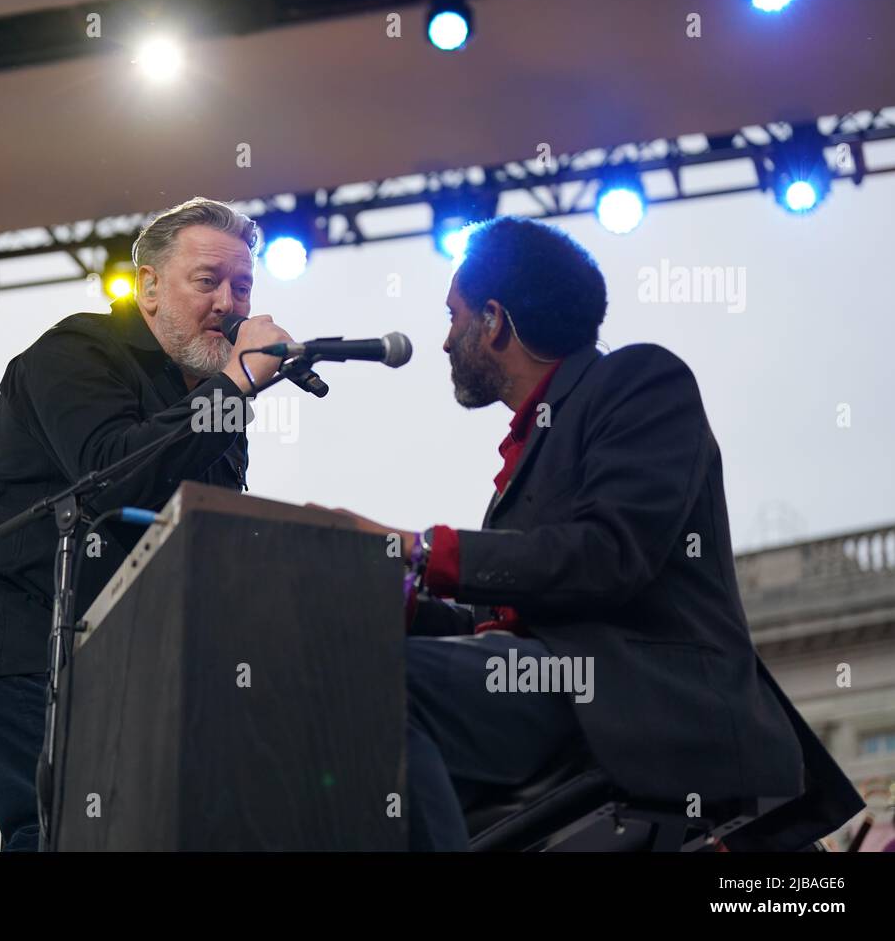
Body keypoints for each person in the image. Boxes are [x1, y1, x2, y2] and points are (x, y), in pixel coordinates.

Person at [337, 216, 863, 850]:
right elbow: (492, 627)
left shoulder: (639, 381)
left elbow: (609, 554)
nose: (445, 341)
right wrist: (377, 598)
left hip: (632, 699)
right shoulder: (521, 466)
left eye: (453, 316)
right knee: (336, 680)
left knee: (372, 685)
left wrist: (422, 551)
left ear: (494, 320)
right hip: (546, 685)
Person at [0, 197, 293, 850]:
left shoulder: (218, 414)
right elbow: (115, 475)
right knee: (67, 828)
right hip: (12, 644)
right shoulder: (78, 352)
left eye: (242, 286)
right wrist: (235, 385)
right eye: (207, 281)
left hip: (117, 657)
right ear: (148, 288)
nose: (229, 303)